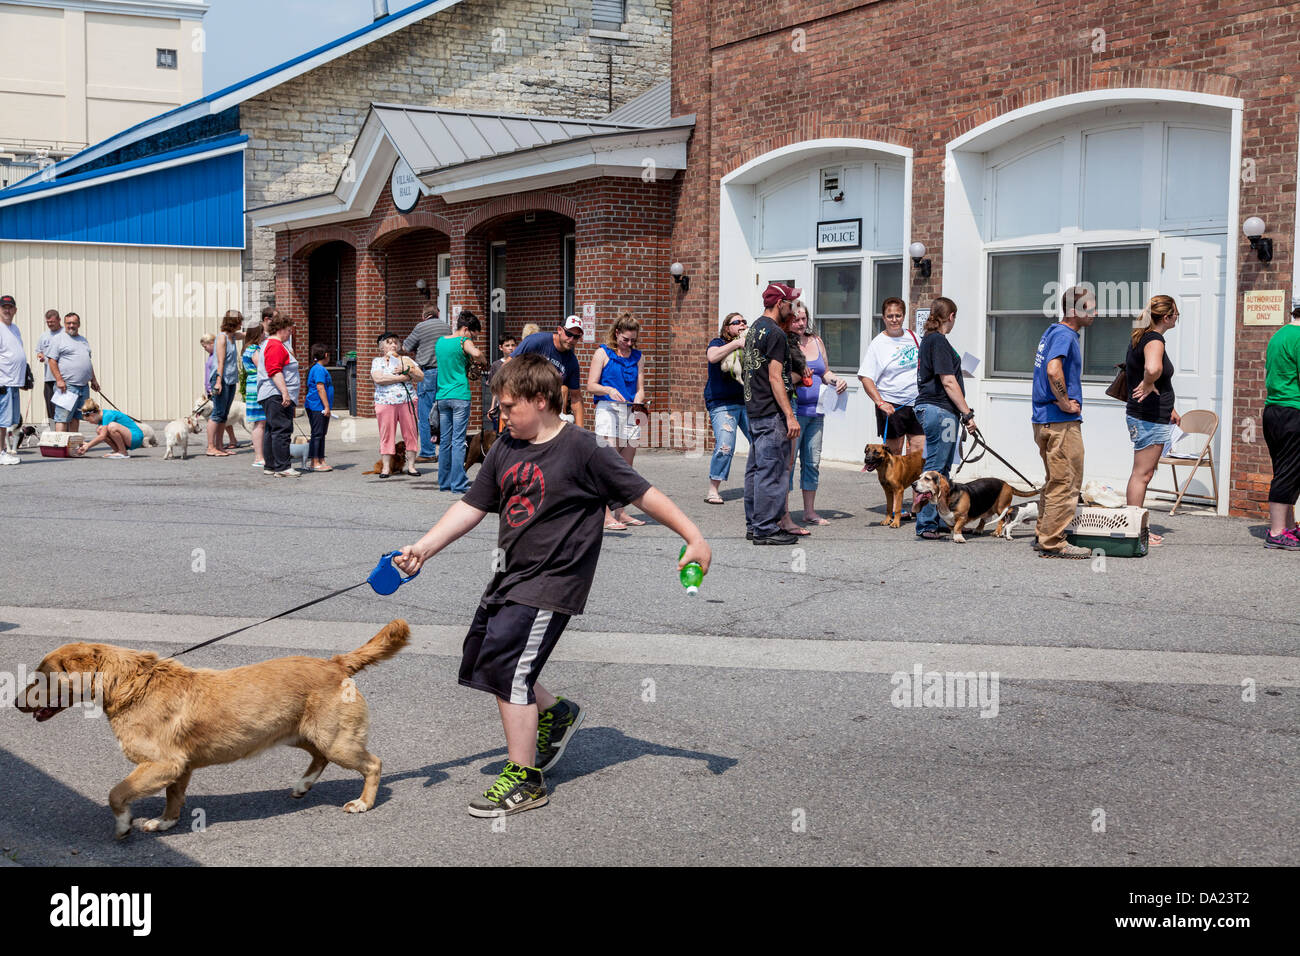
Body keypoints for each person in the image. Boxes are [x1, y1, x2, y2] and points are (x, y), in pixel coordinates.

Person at [393, 353, 710, 818]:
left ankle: (525, 780)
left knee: (509, 670)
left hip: (552, 582)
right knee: (486, 656)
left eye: (507, 407)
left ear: (540, 400)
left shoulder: (584, 449)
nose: (499, 416)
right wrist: (424, 548)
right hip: (511, 576)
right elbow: (472, 506)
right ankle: (556, 713)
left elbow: (643, 493)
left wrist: (694, 536)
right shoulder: (504, 448)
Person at [1031, 286, 1096, 558]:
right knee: (1066, 482)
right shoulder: (1065, 335)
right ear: (1074, 311)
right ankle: (1053, 542)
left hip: (1044, 421)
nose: (1096, 313)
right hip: (1059, 421)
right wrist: (1065, 402)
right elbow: (1053, 368)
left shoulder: (1052, 332)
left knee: (1054, 481)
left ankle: (1043, 534)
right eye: (1090, 307)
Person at [914, 297, 978, 539]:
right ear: (951, 316)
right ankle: (927, 524)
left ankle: (942, 518)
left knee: (943, 470)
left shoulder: (930, 340)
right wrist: (967, 412)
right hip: (940, 411)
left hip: (937, 410)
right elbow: (948, 380)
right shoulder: (938, 341)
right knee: (936, 470)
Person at [742, 283, 801, 545]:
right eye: (790, 303)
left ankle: (755, 525)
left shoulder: (754, 327)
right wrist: (789, 415)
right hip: (771, 411)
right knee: (773, 471)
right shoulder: (776, 333)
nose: (793, 308)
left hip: (754, 408)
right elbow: (775, 377)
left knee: (756, 470)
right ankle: (766, 528)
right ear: (780, 304)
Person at [1124, 295, 1182, 544]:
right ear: (1167, 317)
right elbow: (1153, 369)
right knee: (1143, 474)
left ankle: (1136, 526)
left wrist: (1170, 407)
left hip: (1149, 415)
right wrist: (1148, 383)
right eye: (1176, 314)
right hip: (1148, 417)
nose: (1177, 318)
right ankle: (1135, 530)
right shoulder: (1155, 339)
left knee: (1143, 472)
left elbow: (1155, 375)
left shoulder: (1141, 335)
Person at [859, 296, 924, 518]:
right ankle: (897, 505)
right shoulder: (878, 344)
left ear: (904, 316)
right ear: (883, 317)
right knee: (893, 457)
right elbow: (866, 377)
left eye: (898, 315)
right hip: (892, 406)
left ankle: (918, 505)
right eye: (890, 316)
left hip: (917, 403)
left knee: (918, 456)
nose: (894, 320)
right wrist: (880, 402)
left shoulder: (914, 338)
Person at [788, 306, 847, 525]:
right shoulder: (785, 343)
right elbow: (780, 378)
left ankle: (809, 512)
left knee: (812, 462)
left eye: (804, 319)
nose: (801, 323)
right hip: (795, 413)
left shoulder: (817, 341)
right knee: (789, 463)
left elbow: (825, 372)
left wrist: (836, 381)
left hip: (817, 412)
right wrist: (800, 375)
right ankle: (782, 513)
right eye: (796, 320)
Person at [588, 311, 647, 530]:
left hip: (629, 411)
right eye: (625, 339)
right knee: (608, 461)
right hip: (607, 409)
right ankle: (604, 514)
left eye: (633, 340)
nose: (628, 344)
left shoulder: (638, 356)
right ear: (616, 333)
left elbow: (640, 389)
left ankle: (620, 512)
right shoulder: (602, 353)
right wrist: (608, 389)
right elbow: (591, 385)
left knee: (625, 467)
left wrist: (639, 402)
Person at [1262, 296, 1300, 550]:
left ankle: (1288, 527)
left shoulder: (1280, 334)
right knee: (1288, 472)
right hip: (1293, 411)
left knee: (1287, 470)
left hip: (1274, 411)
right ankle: (1277, 533)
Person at [436, 311, 485, 493]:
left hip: (442, 396)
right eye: (473, 334)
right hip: (460, 396)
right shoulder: (463, 341)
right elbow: (477, 353)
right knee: (458, 441)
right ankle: (458, 484)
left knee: (445, 441)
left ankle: (444, 482)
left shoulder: (440, 342)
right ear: (465, 329)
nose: (473, 338)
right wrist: (483, 360)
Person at [705, 312, 750, 505]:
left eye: (744, 322)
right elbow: (712, 357)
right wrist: (737, 344)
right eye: (737, 322)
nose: (742, 324)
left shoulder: (749, 345)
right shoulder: (718, 342)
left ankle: (757, 483)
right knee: (725, 446)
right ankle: (713, 489)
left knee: (761, 442)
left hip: (747, 403)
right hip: (722, 403)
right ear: (727, 328)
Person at [513, 317, 585, 427]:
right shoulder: (537, 341)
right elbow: (508, 366)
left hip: (548, 413)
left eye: (576, 337)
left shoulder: (572, 362)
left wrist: (581, 432)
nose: (571, 340)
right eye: (569, 334)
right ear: (559, 330)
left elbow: (576, 398)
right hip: (524, 404)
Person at [371, 332, 423, 478]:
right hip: (385, 402)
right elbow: (378, 379)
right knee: (386, 434)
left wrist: (408, 370)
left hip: (407, 401)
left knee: (411, 433)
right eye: (389, 342)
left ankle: (411, 466)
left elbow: (419, 376)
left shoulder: (405, 359)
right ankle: (386, 467)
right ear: (382, 347)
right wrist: (402, 377)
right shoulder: (377, 362)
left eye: (395, 342)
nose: (393, 345)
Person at [404, 303, 452, 463]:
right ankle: (446, 449)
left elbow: (406, 346)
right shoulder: (447, 327)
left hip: (428, 373)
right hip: (446, 373)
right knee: (444, 412)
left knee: (425, 415)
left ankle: (428, 452)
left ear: (424, 315)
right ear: (437, 313)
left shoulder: (421, 326)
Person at [259, 314, 302, 478]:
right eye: (289, 330)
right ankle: (282, 466)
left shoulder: (273, 344)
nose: (290, 333)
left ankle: (271, 465)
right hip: (276, 394)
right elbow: (274, 370)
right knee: (282, 429)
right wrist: (285, 393)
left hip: (272, 394)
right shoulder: (275, 345)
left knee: (272, 429)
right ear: (281, 329)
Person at [47, 312, 98, 433]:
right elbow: (52, 361)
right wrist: (59, 380)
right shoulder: (58, 339)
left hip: (83, 387)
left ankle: (72, 448)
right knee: (62, 418)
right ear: (64, 324)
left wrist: (94, 380)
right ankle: (60, 447)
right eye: (68, 323)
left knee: (76, 418)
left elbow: (87, 362)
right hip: (67, 387)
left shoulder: (83, 340)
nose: (71, 325)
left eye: (74, 323)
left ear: (79, 324)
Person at [207, 311, 244, 456]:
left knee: (224, 414)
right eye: (239, 322)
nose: (241, 324)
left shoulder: (232, 336)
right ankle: (211, 447)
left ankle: (220, 446)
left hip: (230, 379)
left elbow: (247, 334)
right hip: (220, 379)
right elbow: (220, 362)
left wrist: (263, 329)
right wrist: (218, 382)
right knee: (217, 413)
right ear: (233, 323)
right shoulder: (222, 338)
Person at [0, 293, 26, 466]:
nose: (7, 310)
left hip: (14, 381)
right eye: (4, 307)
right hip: (3, 381)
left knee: (9, 421)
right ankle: (1, 452)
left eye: (10, 307)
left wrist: (24, 376)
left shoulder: (14, 329)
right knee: (2, 421)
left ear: (15, 310)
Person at [75, 400, 143, 458]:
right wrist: (86, 444)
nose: (90, 423)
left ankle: (123, 452)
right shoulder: (102, 419)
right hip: (128, 438)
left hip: (135, 437)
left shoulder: (107, 415)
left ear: (92, 414)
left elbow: (102, 436)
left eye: (89, 420)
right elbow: (101, 435)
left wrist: (87, 446)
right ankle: (118, 451)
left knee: (112, 426)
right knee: (100, 429)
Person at [241, 322, 267, 469]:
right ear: (258, 334)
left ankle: (261, 455)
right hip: (257, 386)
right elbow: (261, 367)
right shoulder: (254, 349)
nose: (265, 334)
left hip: (252, 385)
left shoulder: (247, 348)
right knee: (260, 422)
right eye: (263, 332)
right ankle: (259, 456)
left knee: (260, 422)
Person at [305, 343, 335, 472]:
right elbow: (320, 387)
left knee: (321, 433)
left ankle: (321, 459)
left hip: (318, 406)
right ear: (326, 355)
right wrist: (326, 406)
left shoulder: (318, 368)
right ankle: (314, 461)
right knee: (317, 434)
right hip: (317, 406)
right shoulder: (319, 369)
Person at [484, 333, 516, 431]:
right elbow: (495, 390)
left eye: (513, 345)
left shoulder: (519, 363)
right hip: (501, 406)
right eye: (507, 345)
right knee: (501, 432)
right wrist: (492, 406)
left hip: (516, 404)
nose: (511, 348)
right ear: (500, 347)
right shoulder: (496, 365)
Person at [37, 309, 62, 422]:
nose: (50, 324)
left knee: (63, 408)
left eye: (52, 321)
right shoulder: (44, 336)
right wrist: (40, 356)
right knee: (50, 408)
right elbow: (39, 352)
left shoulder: (65, 334)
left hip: (63, 378)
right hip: (49, 378)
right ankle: (53, 433)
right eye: (48, 322)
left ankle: (65, 433)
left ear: (59, 320)